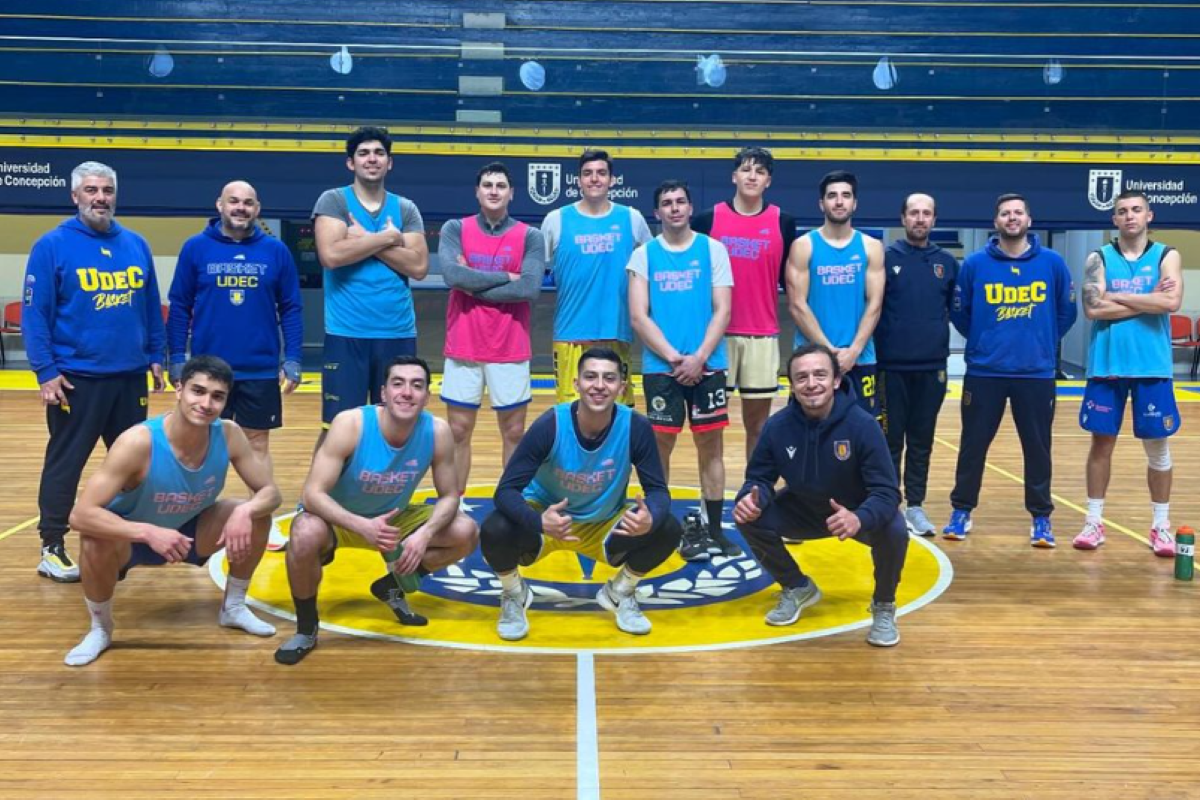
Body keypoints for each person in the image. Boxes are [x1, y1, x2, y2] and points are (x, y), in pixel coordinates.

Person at [63, 356, 281, 666]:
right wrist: (147, 532)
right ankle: (101, 628)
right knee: (93, 538)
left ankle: (233, 608)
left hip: (188, 531)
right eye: (198, 391)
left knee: (254, 513)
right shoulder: (138, 442)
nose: (206, 403)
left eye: (217, 396)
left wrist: (245, 512)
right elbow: (80, 515)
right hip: (131, 536)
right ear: (179, 389)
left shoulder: (229, 433)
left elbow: (270, 492)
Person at [275, 356, 478, 665]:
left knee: (466, 532)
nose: (407, 392)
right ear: (383, 393)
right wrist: (362, 526)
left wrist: (425, 534)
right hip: (339, 517)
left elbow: (449, 495)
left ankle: (390, 587)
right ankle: (306, 629)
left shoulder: (437, 431)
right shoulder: (351, 424)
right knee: (303, 532)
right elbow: (312, 495)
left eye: (416, 385)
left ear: (427, 394)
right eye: (398, 384)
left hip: (394, 519)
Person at [22, 160, 166, 583]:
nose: (100, 197)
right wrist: (45, 371)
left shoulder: (136, 244)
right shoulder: (52, 245)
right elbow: (35, 315)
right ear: (75, 196)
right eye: (91, 190)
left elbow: (149, 304)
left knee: (133, 467)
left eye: (106, 190)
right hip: (76, 380)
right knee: (66, 462)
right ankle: (51, 545)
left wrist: (155, 353)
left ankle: (125, 541)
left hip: (128, 377)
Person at [479, 347, 682, 640]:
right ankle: (513, 594)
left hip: (603, 523)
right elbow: (505, 491)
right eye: (591, 377)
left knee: (668, 528)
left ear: (622, 387)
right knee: (495, 528)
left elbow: (658, 491)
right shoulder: (551, 424)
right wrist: (538, 522)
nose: (599, 385)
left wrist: (652, 516)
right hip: (548, 519)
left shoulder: (635, 426)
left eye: (609, 378)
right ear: (576, 384)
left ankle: (620, 591)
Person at [733, 344, 907, 647]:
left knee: (895, 529)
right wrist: (751, 498)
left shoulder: (863, 426)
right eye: (801, 377)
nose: (811, 383)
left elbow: (887, 492)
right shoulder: (777, 427)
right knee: (747, 516)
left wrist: (859, 517)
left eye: (819, 375)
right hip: (804, 508)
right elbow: (759, 478)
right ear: (792, 384)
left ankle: (883, 604)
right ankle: (797, 586)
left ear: (836, 380)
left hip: (854, 513)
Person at [943, 193, 1077, 547]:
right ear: (996, 221)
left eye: (1018, 212)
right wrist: (985, 340)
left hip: (1036, 372)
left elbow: (1067, 312)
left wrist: (1043, 340)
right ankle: (961, 511)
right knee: (973, 445)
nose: (1012, 218)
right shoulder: (974, 264)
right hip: (985, 372)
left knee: (1037, 447)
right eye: (1005, 213)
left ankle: (1041, 518)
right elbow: (960, 312)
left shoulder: (1052, 263)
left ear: (1029, 221)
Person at [628, 179, 737, 561]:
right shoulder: (644, 255)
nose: (674, 208)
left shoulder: (714, 250)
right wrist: (676, 358)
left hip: (709, 365)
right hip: (662, 368)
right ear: (657, 213)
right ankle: (658, 525)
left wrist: (699, 357)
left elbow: (723, 309)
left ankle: (714, 529)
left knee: (711, 447)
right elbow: (639, 317)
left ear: (691, 208)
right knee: (660, 450)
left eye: (680, 202)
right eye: (666, 203)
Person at [167, 180, 304, 470]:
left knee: (257, 443)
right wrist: (177, 358)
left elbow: (291, 308)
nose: (240, 208)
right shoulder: (195, 248)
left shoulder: (276, 251)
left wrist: (293, 357)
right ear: (220, 205)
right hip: (208, 369)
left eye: (247, 202)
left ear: (257, 209)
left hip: (260, 369)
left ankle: (258, 514)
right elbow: (179, 306)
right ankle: (197, 512)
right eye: (234, 201)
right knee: (199, 443)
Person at [1075, 191, 1182, 556]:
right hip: (1107, 365)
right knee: (1101, 444)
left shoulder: (1167, 255)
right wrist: (1148, 299)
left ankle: (1161, 526)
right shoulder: (1098, 257)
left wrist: (1116, 298)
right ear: (1114, 220)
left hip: (1152, 365)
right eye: (1122, 211)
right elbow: (1092, 309)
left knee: (1158, 447)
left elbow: (1171, 302)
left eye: (1136, 210)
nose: (1130, 216)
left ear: (1149, 215)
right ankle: (1093, 522)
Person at [311, 125, 428, 442]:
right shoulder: (333, 201)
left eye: (379, 153)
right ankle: (317, 492)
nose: (371, 159)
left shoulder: (405, 208)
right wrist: (390, 239)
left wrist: (366, 241)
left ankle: (381, 492)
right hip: (346, 333)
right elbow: (332, 255)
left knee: (395, 427)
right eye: (363, 153)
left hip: (397, 333)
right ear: (351, 163)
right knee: (336, 429)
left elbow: (418, 266)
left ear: (390, 162)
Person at [438, 162, 545, 494]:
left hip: (509, 346)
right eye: (487, 185)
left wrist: (473, 283)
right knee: (457, 431)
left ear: (512, 193)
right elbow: (453, 277)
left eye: (501, 185)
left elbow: (528, 289)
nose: (494, 191)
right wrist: (504, 278)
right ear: (477, 191)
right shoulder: (455, 229)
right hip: (464, 343)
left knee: (514, 432)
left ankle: (511, 503)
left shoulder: (530, 235)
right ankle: (451, 505)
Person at [693, 146, 797, 460]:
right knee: (710, 427)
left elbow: (788, 281)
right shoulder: (707, 220)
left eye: (760, 171)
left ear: (768, 181)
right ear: (734, 176)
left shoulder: (783, 222)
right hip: (717, 338)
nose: (752, 176)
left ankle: (753, 498)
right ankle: (707, 506)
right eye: (746, 169)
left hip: (762, 336)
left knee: (758, 426)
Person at [542, 149, 653, 407]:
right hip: (571, 335)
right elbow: (535, 266)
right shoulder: (555, 220)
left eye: (601, 173)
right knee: (571, 415)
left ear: (612, 180)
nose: (594, 179)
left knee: (619, 415)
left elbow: (653, 265)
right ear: (578, 180)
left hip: (617, 333)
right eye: (587, 173)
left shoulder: (632, 218)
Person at [876, 193, 959, 537]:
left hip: (932, 367)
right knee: (889, 441)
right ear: (903, 217)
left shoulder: (948, 263)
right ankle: (888, 506)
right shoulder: (884, 258)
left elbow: (957, 309)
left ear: (934, 220)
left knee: (921, 440)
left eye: (926, 214)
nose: (920, 219)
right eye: (914, 213)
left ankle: (916, 507)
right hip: (891, 367)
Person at [786, 170, 885, 415]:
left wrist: (853, 351)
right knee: (805, 434)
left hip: (860, 358)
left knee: (864, 434)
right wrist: (828, 354)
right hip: (812, 359)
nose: (839, 201)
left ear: (855, 203)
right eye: (832, 196)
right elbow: (797, 305)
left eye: (846, 195)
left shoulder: (871, 247)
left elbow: (875, 305)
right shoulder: (803, 246)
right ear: (822, 203)